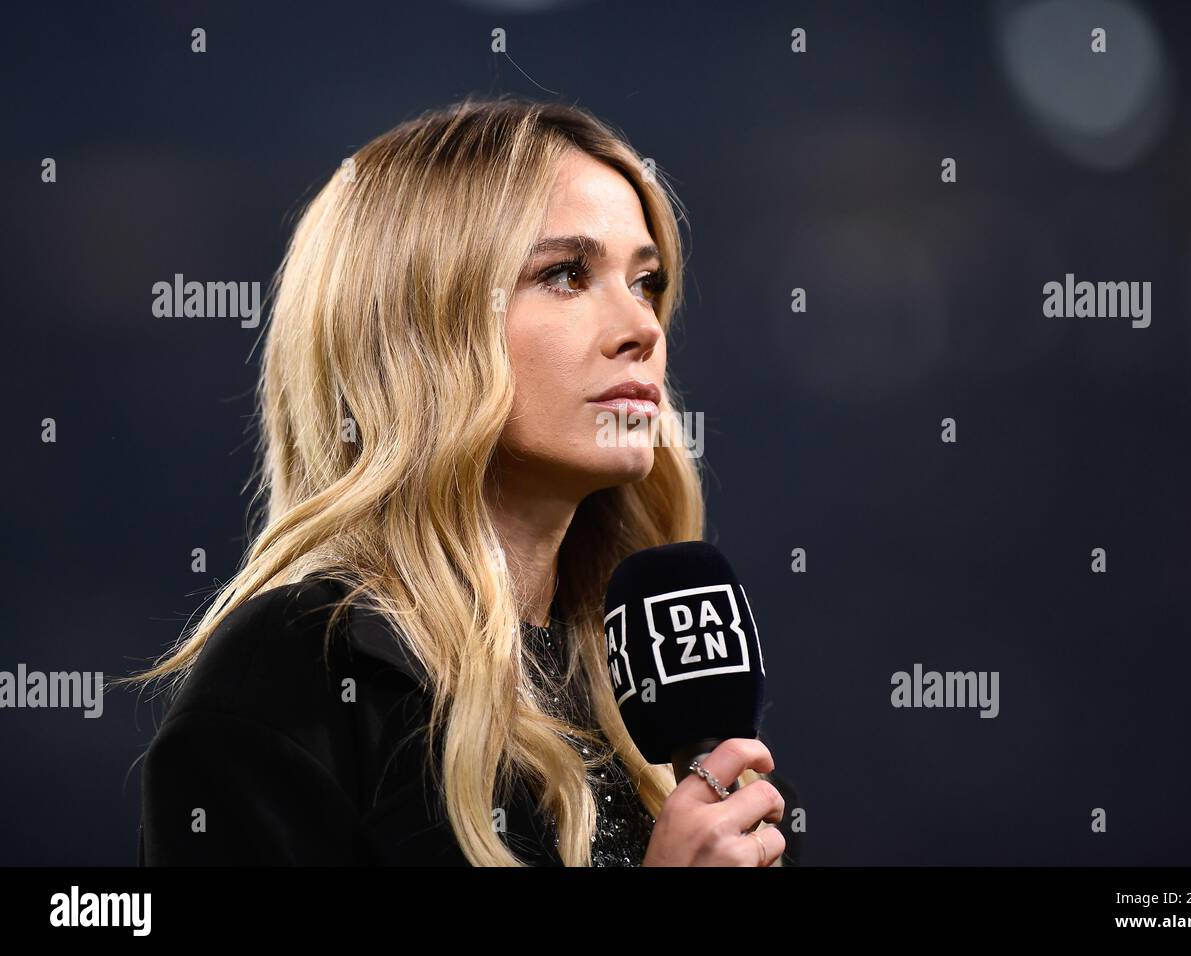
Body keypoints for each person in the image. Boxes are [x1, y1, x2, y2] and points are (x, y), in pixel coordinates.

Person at [128, 95, 792, 866]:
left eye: (645, 282)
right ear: (418, 329)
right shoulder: (302, 675)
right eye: (567, 274)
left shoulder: (646, 693)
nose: (643, 327)